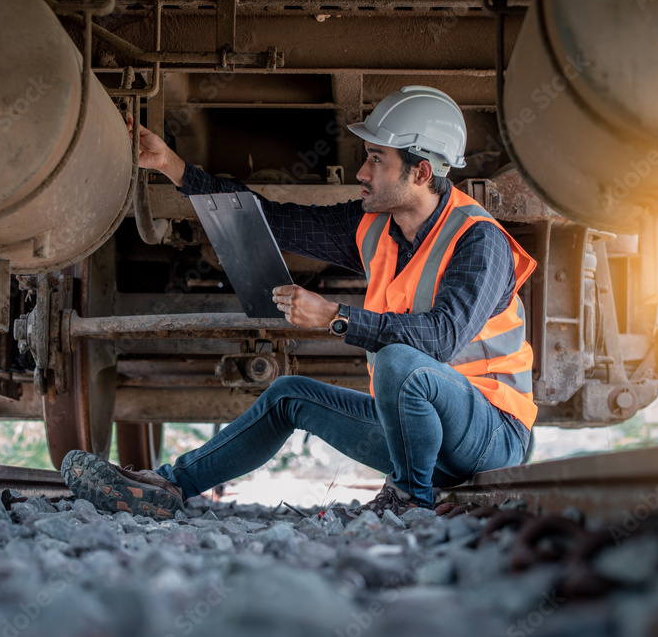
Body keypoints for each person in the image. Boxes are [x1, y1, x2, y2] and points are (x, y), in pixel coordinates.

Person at [61, 86, 537, 520]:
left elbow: (440, 338)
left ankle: (411, 501)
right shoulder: (375, 225)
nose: (361, 171)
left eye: (376, 159)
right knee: (288, 394)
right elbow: (273, 219)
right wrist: (173, 167)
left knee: (400, 362)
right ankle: (168, 487)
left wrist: (335, 317)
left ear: (422, 172)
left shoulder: (480, 243)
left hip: (491, 432)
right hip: (418, 436)